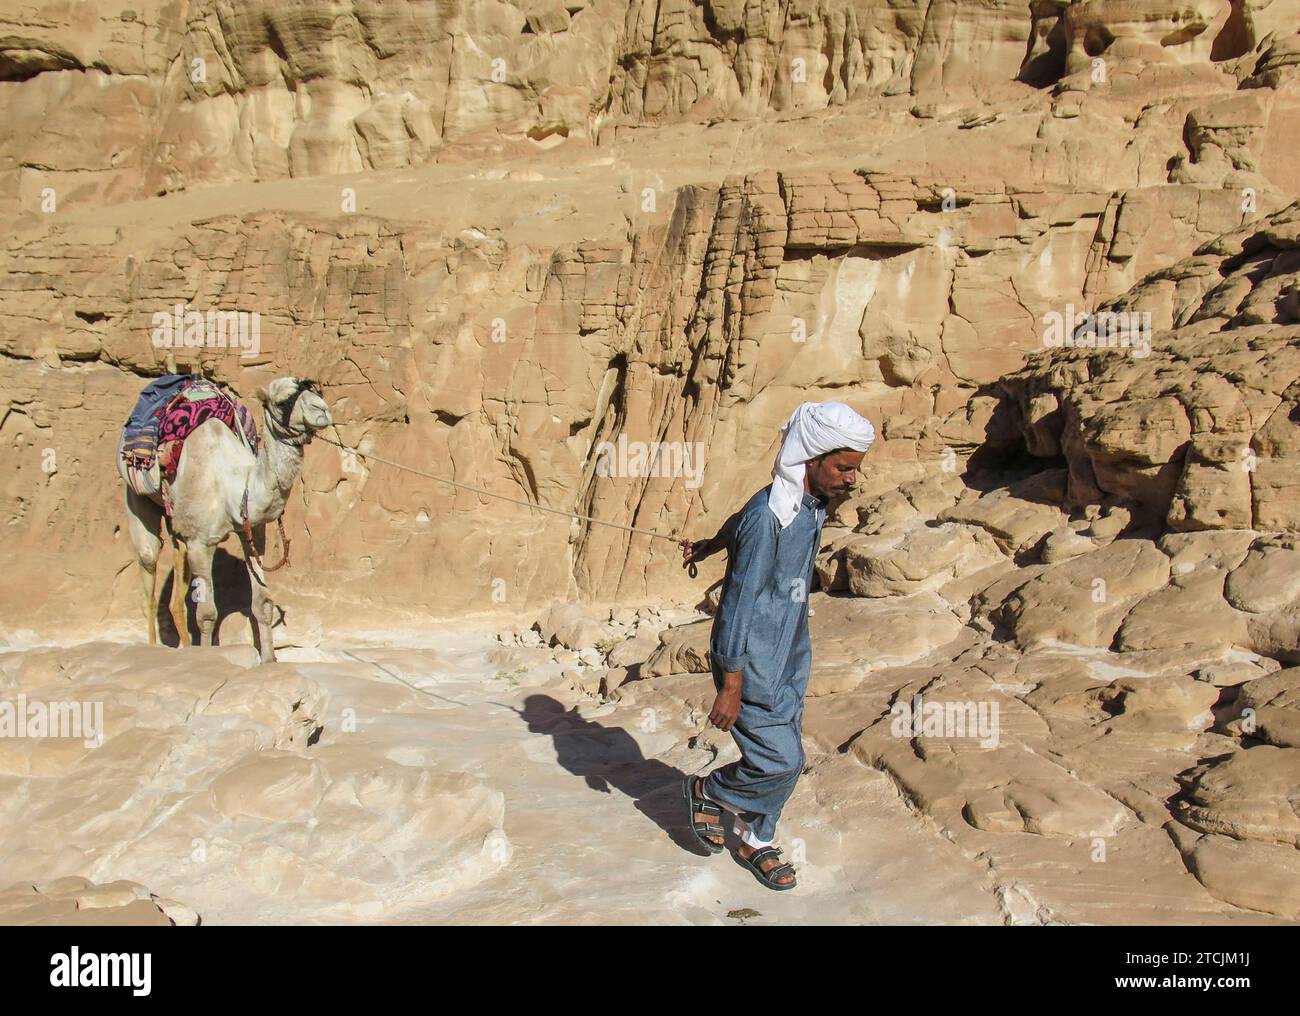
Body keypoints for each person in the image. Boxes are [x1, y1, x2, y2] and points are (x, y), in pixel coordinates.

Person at [679, 401, 875, 890]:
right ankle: (709, 790)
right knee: (783, 760)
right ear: (810, 459)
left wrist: (712, 543)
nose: (851, 479)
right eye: (843, 468)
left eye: (855, 470)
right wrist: (730, 682)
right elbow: (737, 606)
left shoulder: (810, 505)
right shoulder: (770, 519)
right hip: (752, 658)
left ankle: (753, 839)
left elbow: (739, 519)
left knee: (786, 746)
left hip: (790, 649)